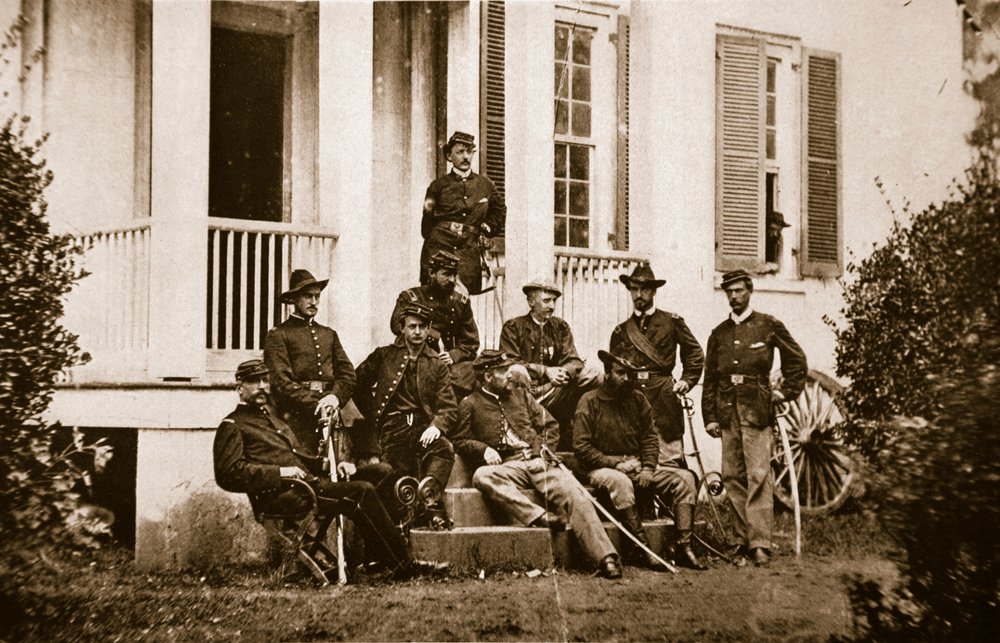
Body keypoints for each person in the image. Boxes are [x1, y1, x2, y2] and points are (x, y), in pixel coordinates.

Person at [212, 358, 445, 580]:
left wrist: (332, 465)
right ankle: (403, 563)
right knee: (361, 491)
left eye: (265, 381)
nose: (262, 387)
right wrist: (280, 474)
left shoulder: (272, 420)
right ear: (239, 387)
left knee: (381, 471)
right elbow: (228, 474)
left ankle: (379, 556)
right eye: (254, 382)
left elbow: (298, 458)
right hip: (286, 495)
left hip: (307, 483)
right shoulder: (233, 425)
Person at [452, 349, 623, 579]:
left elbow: (550, 425)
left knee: (574, 493)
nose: (510, 375)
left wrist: (539, 453)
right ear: (487, 376)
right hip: (508, 465)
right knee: (482, 475)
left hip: (537, 459)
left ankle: (606, 558)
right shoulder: (469, 404)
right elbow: (460, 440)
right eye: (503, 371)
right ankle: (538, 516)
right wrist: (484, 449)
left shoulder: (521, 395)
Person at [702, 269, 808, 566]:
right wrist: (709, 415)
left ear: (750, 291)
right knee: (732, 476)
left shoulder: (768, 326)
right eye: (729, 292)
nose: (734, 296)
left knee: (759, 475)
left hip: (757, 410)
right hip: (727, 411)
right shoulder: (718, 334)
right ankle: (739, 539)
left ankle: (760, 542)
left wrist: (785, 392)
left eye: (738, 290)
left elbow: (796, 360)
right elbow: (710, 378)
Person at [574, 350, 707, 571]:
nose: (626, 379)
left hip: (637, 466)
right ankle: (643, 548)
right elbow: (581, 447)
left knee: (684, 479)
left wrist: (647, 467)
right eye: (620, 373)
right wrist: (615, 463)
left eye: (629, 374)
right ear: (607, 373)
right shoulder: (589, 401)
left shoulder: (638, 399)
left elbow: (649, 438)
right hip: (600, 469)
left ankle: (684, 547)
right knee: (621, 482)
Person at [354, 302, 457, 530]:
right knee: (397, 471)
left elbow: (449, 406)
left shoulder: (436, 364)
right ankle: (405, 522)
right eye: (412, 326)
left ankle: (430, 506)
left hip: (422, 428)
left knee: (444, 448)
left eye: (422, 326)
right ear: (402, 328)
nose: (418, 332)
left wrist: (437, 426)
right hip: (393, 428)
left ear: (429, 328)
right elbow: (356, 382)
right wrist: (374, 414)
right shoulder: (384, 356)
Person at [610, 264, 704, 467]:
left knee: (669, 462)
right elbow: (612, 369)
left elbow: (695, 355)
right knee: (635, 462)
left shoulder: (672, 322)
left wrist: (686, 382)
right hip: (632, 400)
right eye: (634, 289)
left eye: (644, 289)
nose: (638, 294)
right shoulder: (621, 332)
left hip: (664, 399)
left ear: (653, 291)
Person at [499, 279, 602, 451]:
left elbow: (574, 360)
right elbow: (508, 361)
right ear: (531, 302)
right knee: (516, 371)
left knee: (594, 374)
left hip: (555, 391)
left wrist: (563, 373)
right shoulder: (513, 327)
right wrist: (546, 371)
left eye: (554, 301)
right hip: (527, 393)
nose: (552, 306)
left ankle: (581, 428)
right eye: (547, 300)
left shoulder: (561, 327)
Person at [263, 269, 356, 455]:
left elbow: (348, 374)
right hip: (296, 420)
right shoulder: (278, 335)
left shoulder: (328, 334)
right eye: (307, 296)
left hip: (331, 413)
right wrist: (317, 405)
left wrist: (334, 397)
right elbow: (281, 383)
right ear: (294, 299)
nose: (314, 302)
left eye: (317, 297)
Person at [419, 131, 506, 294]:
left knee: (462, 300)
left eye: (469, 152)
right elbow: (427, 223)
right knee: (436, 297)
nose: (465, 157)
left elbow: (499, 211)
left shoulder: (486, 185)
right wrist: (437, 240)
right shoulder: (437, 186)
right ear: (449, 156)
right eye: (460, 152)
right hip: (439, 248)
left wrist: (488, 226)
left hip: (468, 251)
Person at [390, 249, 480, 396]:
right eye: (446, 274)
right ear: (432, 273)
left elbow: (471, 343)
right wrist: (433, 335)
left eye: (454, 274)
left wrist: (453, 355)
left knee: (470, 375)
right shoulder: (411, 298)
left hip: (449, 365)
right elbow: (396, 325)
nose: (452, 279)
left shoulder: (461, 302)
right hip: (415, 359)